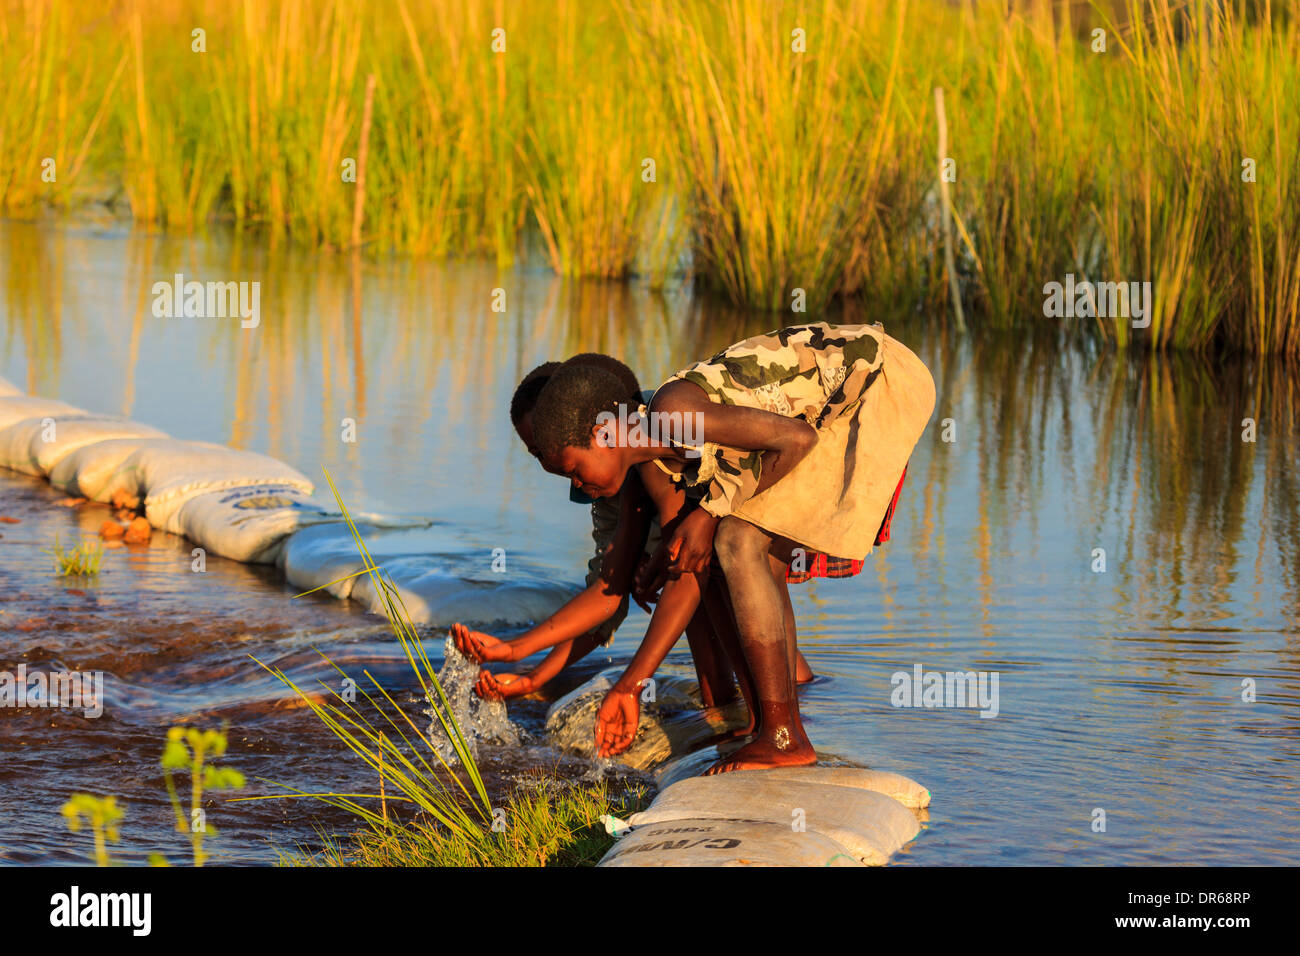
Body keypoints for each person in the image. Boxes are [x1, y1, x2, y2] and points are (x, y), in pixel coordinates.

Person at [530, 323, 935, 772]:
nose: (577, 485)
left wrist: (709, 513)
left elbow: (796, 439)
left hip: (875, 380)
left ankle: (784, 736)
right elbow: (690, 571)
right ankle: (765, 724)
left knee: (737, 540)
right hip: (835, 404)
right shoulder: (656, 460)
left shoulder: (673, 412)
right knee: (722, 551)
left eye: (574, 469)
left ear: (604, 434)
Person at [451, 355, 739, 706]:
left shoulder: (656, 437)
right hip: (727, 531)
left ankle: (759, 718)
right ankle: (732, 716)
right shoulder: (608, 483)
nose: (553, 463)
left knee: (698, 575)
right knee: (694, 582)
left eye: (551, 447)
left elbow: (668, 571)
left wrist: (629, 686)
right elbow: (608, 591)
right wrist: (530, 670)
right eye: (539, 451)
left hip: (760, 508)